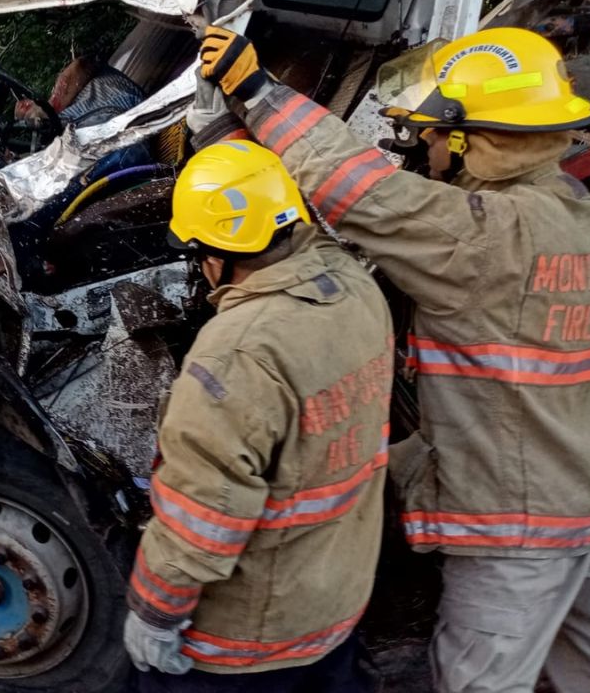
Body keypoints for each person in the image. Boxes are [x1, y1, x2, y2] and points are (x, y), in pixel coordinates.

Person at [197, 25, 590, 692]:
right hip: (582, 497)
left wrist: (259, 93)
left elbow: (362, 193)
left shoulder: (482, 237)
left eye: (433, 134)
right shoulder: (577, 215)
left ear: (471, 139)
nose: (423, 147)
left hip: (516, 531)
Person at [123, 139, 392, 692]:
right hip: (335, 609)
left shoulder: (235, 357)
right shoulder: (356, 289)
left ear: (214, 255)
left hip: (243, 645)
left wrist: (154, 612)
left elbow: (201, 519)